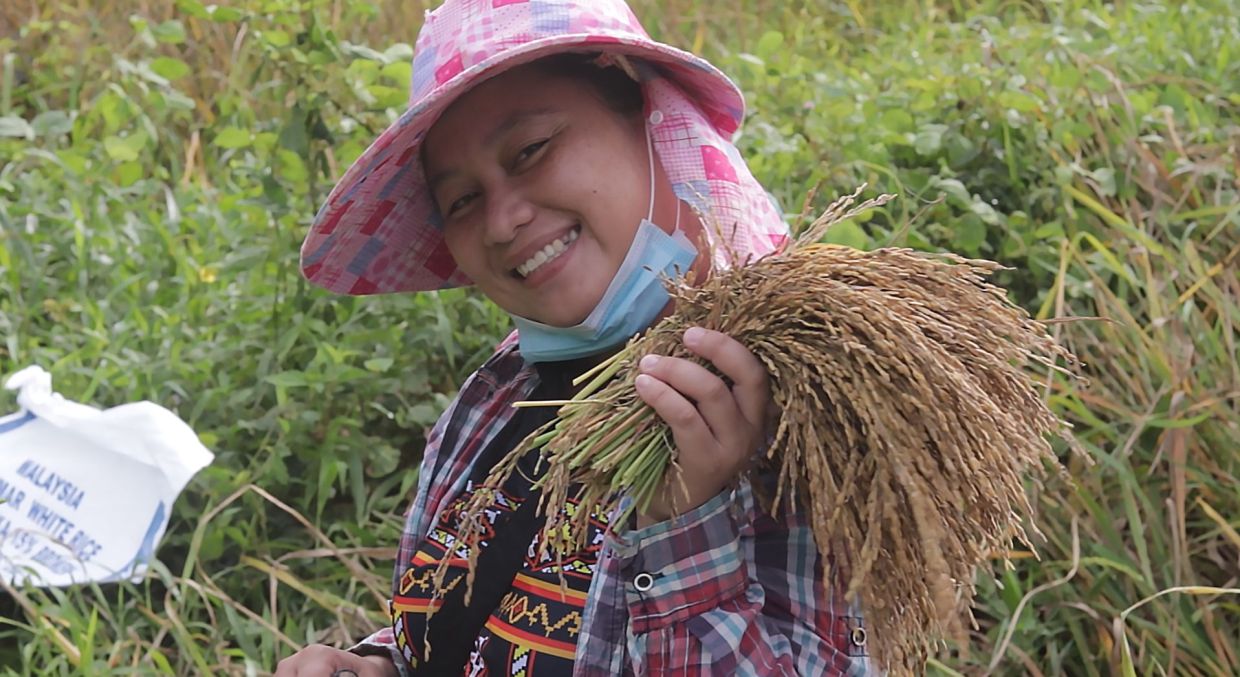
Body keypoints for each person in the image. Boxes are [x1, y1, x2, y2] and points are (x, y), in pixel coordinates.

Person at [277, 1, 870, 675]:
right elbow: (478, 632)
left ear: (648, 119)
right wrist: (381, 664)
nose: (501, 221)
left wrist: (684, 524)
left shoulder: (794, 404)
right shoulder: (498, 397)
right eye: (462, 200)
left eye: (530, 151)